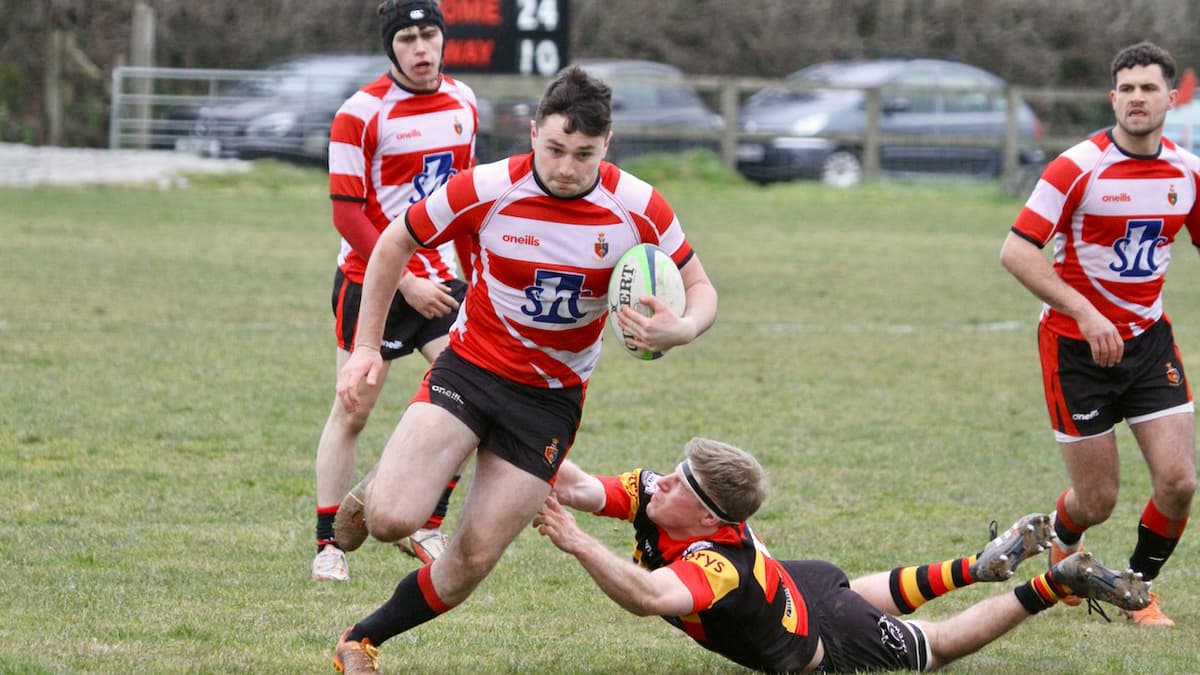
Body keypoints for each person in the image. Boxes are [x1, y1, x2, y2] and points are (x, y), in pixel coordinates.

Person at [329, 64, 720, 672]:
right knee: (392, 519)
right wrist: (365, 347)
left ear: (607, 145)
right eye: (555, 148)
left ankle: (361, 641)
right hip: (471, 370)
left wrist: (684, 326)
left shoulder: (637, 205)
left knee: (471, 561)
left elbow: (701, 289)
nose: (566, 167)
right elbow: (392, 243)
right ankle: (377, 488)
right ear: (533, 131)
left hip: (548, 403)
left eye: (583, 154)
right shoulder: (487, 187)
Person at [532, 438, 1152, 673]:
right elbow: (578, 486)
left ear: (708, 518)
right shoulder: (662, 498)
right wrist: (522, 436)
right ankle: (974, 566)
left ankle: (1056, 581)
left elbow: (648, 599)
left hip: (828, 643)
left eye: (676, 483)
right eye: (669, 474)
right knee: (846, 593)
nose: (657, 482)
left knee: (936, 648)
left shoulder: (714, 567)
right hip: (805, 588)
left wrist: (578, 541)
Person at [999, 40, 1198, 625]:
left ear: (1170, 99)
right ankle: (1062, 538)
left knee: (1180, 482)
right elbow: (1016, 251)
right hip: (1074, 348)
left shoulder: (1188, 174)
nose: (1138, 99)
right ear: (1114, 98)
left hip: (1148, 342)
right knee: (1098, 501)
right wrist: (1085, 312)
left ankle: (1136, 587)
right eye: (1128, 89)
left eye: (1150, 88)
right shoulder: (1076, 166)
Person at [311, 0, 478, 582]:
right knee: (352, 411)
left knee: (478, 405)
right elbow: (347, 215)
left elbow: (465, 203)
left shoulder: (464, 102)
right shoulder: (359, 114)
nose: (421, 47)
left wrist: (472, 272)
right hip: (370, 283)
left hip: (441, 280)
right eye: (407, 38)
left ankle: (426, 522)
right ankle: (328, 543)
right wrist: (402, 280)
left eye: (429, 34)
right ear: (391, 47)